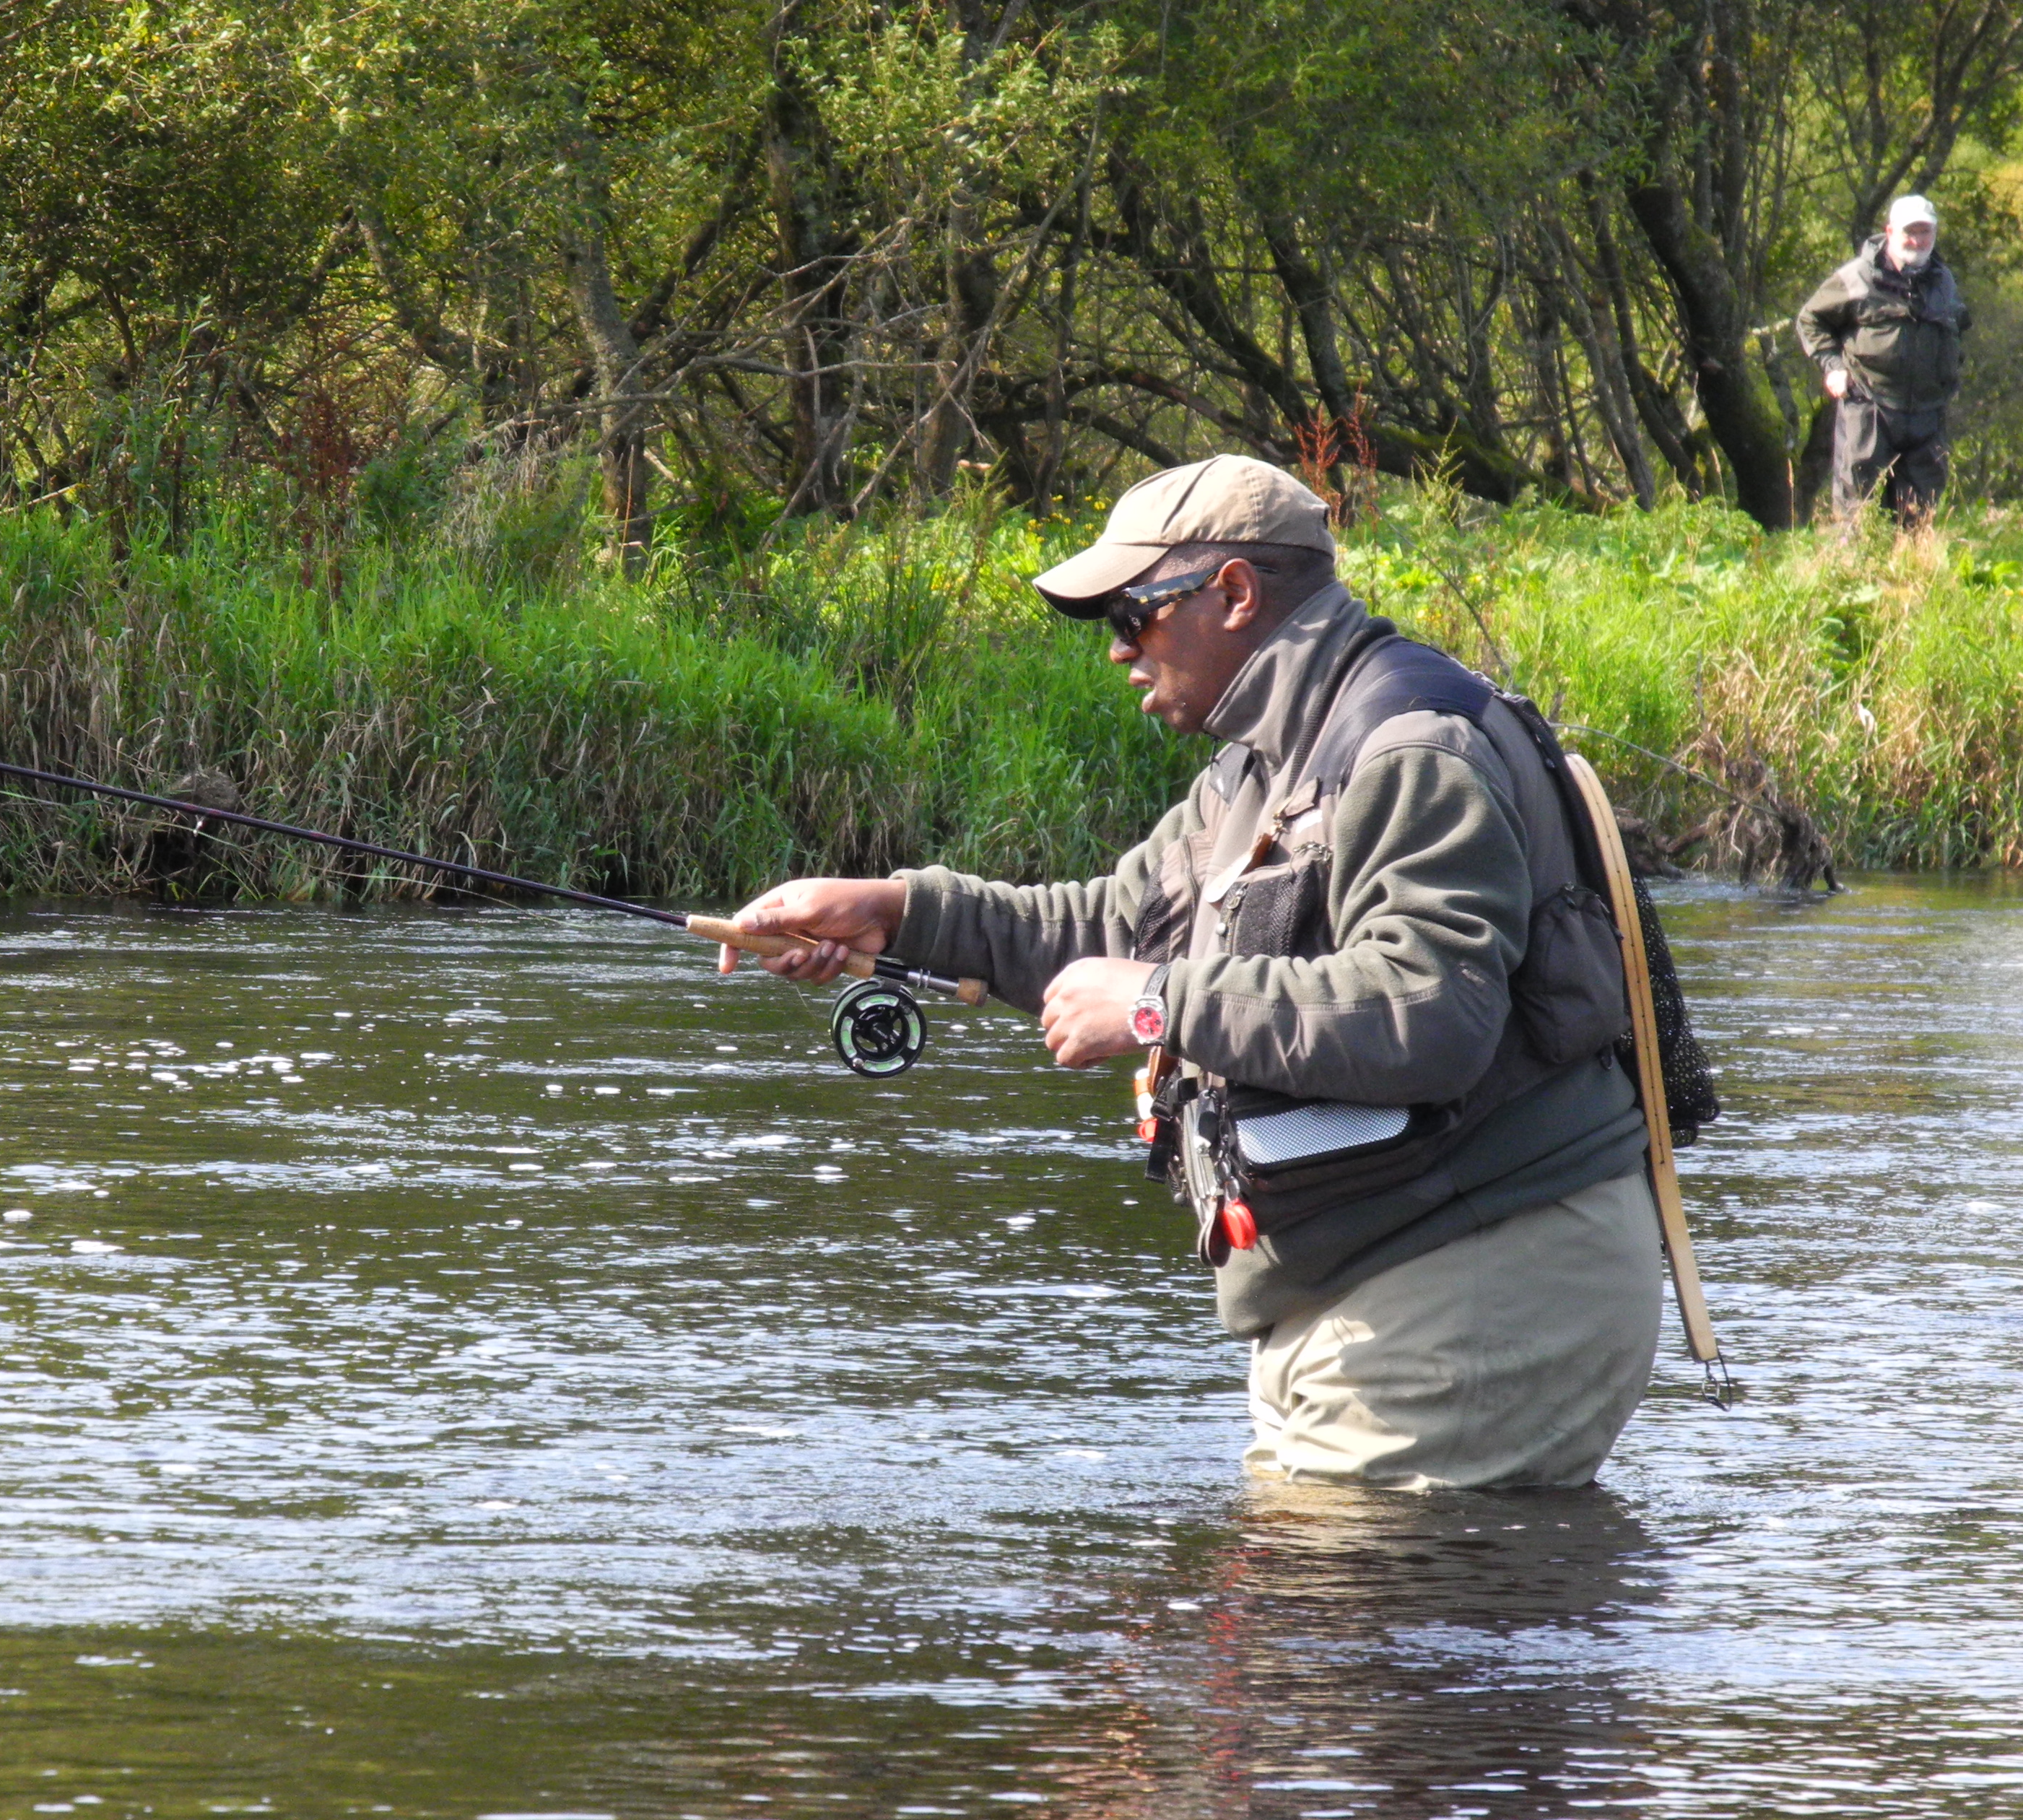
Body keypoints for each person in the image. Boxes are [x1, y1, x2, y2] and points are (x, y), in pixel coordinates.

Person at [726, 456, 1663, 1490]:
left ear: (1234, 594)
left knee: (1333, 1635)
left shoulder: (1408, 751)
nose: (1119, 651)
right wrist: (899, 911)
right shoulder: (1264, 765)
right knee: (1305, 1629)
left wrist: (1152, 1005)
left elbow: (1428, 1009)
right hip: (1376, 1280)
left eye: (1134, 614)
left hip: (1476, 1276)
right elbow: (1113, 924)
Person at [1798, 193, 1972, 525]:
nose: (1918, 240)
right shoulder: (1857, 278)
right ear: (1890, 231)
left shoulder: (1943, 280)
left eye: (1926, 232)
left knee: (1921, 515)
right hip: (1869, 407)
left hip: (1928, 415)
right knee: (1857, 511)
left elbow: (1957, 328)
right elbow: (1810, 319)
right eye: (1911, 231)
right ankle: (1849, 574)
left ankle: (1910, 573)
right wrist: (1833, 367)